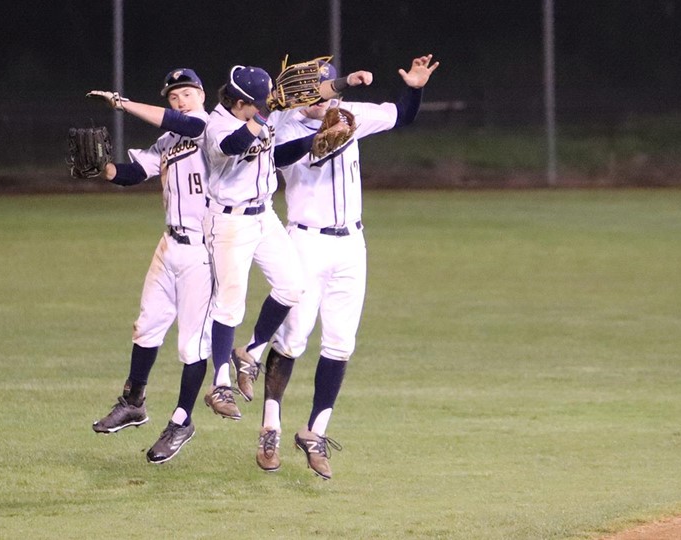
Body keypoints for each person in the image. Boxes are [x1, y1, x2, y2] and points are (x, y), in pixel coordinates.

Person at [250, 55, 440, 479]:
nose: (320, 97)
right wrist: (313, 130)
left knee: (340, 344)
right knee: (293, 340)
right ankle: (270, 426)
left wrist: (414, 86)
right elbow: (278, 157)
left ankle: (315, 431)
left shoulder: (350, 115)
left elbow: (402, 115)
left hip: (352, 244)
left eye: (327, 86)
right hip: (304, 240)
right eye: (312, 89)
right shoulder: (281, 126)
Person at [88, 68, 213, 464]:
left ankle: (182, 420)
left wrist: (121, 103)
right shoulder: (170, 140)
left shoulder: (209, 129)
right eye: (173, 96)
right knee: (147, 326)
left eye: (186, 93)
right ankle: (134, 401)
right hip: (169, 244)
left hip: (204, 252)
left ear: (202, 95)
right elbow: (134, 173)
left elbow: (183, 122)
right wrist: (105, 170)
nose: (179, 101)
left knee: (191, 343)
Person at [199, 65, 329, 421]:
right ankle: (220, 383)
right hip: (229, 221)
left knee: (292, 287)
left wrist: (309, 143)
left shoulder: (257, 117)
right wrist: (263, 115)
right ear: (239, 101)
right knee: (229, 304)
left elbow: (272, 156)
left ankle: (249, 352)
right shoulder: (218, 124)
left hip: (264, 214)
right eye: (257, 103)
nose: (264, 106)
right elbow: (233, 145)